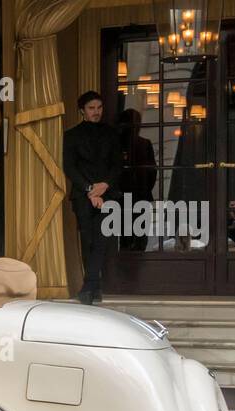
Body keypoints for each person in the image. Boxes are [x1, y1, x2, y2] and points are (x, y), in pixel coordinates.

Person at [64, 90, 122, 304]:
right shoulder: (71, 135)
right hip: (82, 195)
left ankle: (88, 286)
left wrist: (104, 186)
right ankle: (93, 287)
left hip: (109, 194)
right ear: (82, 111)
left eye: (99, 108)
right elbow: (69, 167)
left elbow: (117, 165)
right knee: (87, 240)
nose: (96, 112)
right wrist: (90, 190)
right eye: (91, 108)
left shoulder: (112, 134)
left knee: (102, 240)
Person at [117, 109, 156, 252]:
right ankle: (138, 262)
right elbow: (152, 171)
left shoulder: (117, 144)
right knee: (140, 235)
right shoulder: (145, 143)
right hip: (141, 193)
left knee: (125, 235)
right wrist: (145, 188)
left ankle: (127, 264)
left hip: (123, 194)